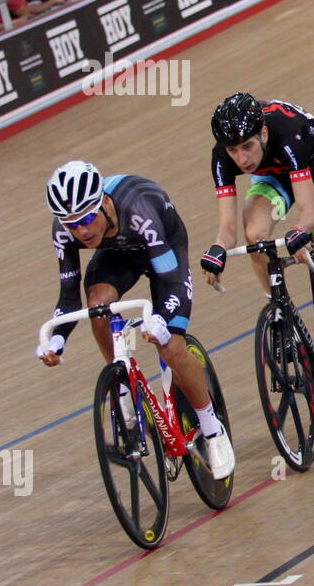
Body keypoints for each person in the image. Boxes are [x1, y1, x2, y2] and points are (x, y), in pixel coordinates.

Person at [38, 161, 234, 479]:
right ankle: (123, 385)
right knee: (98, 307)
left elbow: (169, 277)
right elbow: (68, 297)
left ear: (102, 202)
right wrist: (56, 341)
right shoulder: (66, 229)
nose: (82, 231)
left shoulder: (139, 208)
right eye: (72, 225)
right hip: (117, 252)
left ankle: (212, 429)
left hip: (163, 248)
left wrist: (161, 321)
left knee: (169, 345)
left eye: (87, 219)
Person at [201, 92, 314, 404]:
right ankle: (279, 315)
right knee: (255, 234)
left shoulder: (289, 136)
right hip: (274, 182)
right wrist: (217, 250)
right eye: (233, 150)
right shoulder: (222, 155)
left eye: (248, 147)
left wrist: (300, 231)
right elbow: (228, 229)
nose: (241, 158)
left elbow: (309, 214)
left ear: (264, 133)